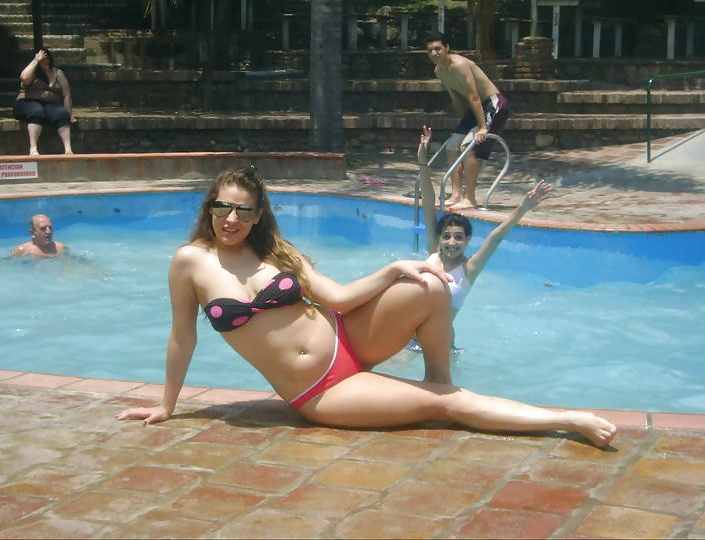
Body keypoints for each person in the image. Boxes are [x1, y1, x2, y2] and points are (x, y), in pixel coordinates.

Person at [116, 167, 617, 449]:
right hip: (322, 391)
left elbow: (336, 298)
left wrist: (395, 268)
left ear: (258, 214)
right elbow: (183, 336)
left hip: (348, 335)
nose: (231, 218)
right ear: (209, 207)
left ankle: (438, 376)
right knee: (443, 407)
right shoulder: (189, 262)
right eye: (222, 207)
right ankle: (567, 419)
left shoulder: (276, 252)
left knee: (430, 284)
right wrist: (168, 404)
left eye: (243, 209)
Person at [417, 126, 551, 324]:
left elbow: (496, 237)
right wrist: (422, 161)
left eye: (458, 237)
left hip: (439, 339)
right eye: (446, 236)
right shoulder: (433, 253)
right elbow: (428, 204)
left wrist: (523, 208)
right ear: (439, 238)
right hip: (407, 332)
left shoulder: (468, 269)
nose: (451, 242)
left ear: (468, 240)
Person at [425, 31, 509, 210]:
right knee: (452, 146)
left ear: (447, 48)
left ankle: (470, 198)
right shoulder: (439, 71)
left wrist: (482, 127)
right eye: (430, 50)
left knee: (467, 148)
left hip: (493, 104)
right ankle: (456, 195)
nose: (434, 53)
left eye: (438, 49)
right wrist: (463, 125)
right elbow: (456, 98)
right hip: (474, 109)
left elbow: (474, 96)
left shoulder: (460, 65)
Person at [13, 48, 76, 156]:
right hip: (26, 103)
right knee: (37, 111)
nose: (45, 61)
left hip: (49, 105)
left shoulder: (58, 73)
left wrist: (69, 113)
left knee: (62, 114)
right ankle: (33, 148)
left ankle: (68, 149)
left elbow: (66, 95)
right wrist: (36, 61)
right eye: (42, 59)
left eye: (46, 59)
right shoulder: (32, 72)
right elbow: (24, 78)